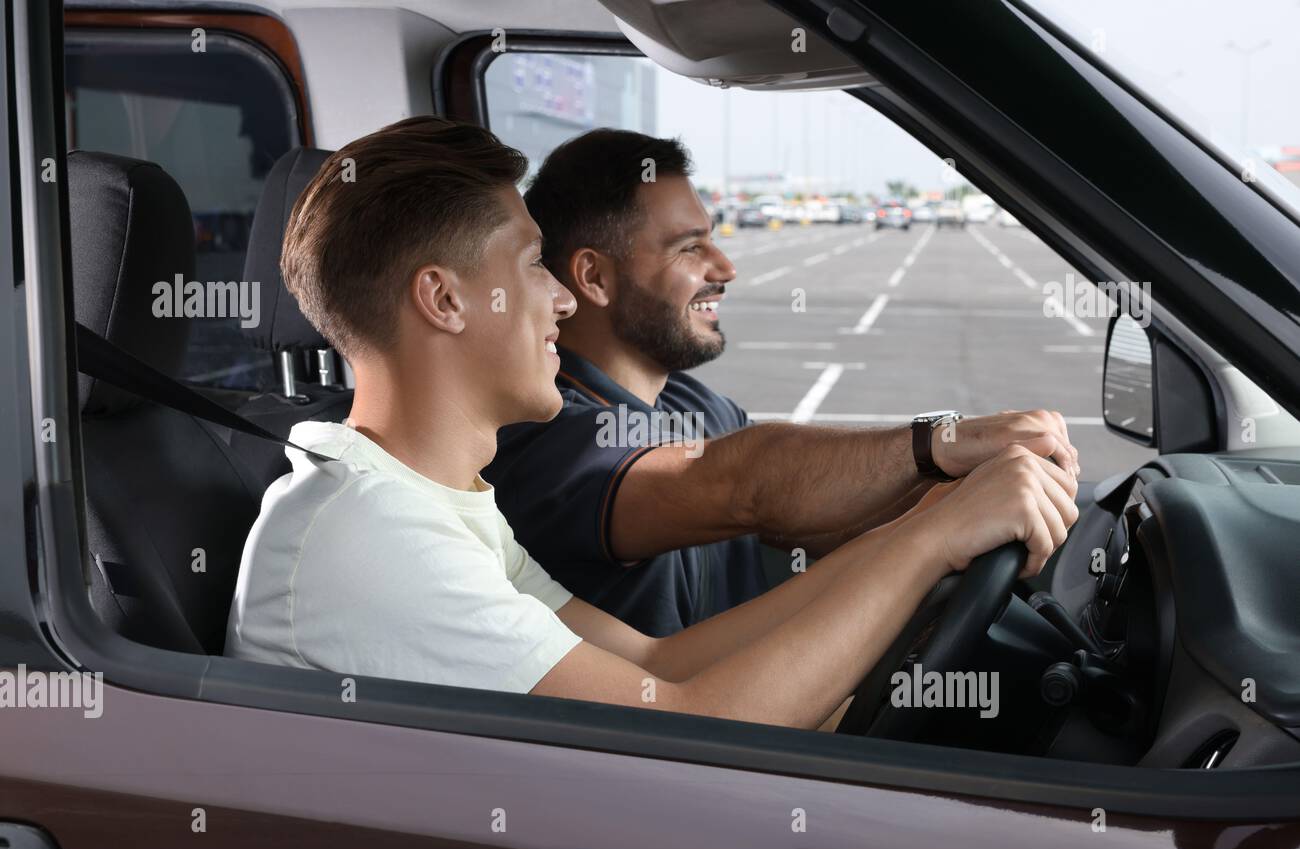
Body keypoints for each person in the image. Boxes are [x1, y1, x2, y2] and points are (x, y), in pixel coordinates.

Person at [225, 116, 1078, 732]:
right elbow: (693, 726)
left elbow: (660, 666)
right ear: (444, 299)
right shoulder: (367, 536)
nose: (560, 296)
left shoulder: (433, 506)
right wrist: (930, 539)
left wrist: (929, 524)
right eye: (532, 265)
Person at [484, 129, 1081, 637]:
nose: (725, 268)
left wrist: (964, 495)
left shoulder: (692, 403)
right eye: (690, 248)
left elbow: (805, 516)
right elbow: (738, 484)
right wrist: (940, 441)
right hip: (664, 758)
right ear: (593, 276)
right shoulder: (543, 435)